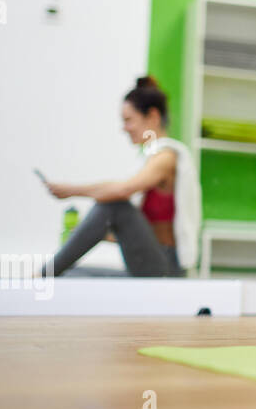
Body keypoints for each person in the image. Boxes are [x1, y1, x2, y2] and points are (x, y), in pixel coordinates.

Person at [44, 76, 200, 277]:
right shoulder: (150, 160)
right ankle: (48, 274)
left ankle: (42, 275)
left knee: (114, 204)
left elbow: (123, 191)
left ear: (152, 116)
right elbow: (142, 233)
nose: (124, 128)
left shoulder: (166, 157)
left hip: (166, 268)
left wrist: (71, 190)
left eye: (128, 120)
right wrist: (89, 232)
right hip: (148, 263)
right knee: (72, 276)